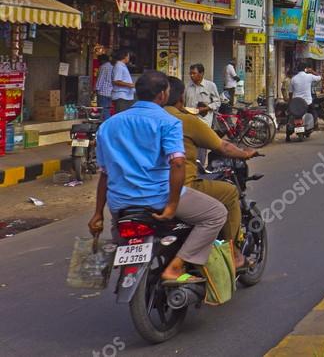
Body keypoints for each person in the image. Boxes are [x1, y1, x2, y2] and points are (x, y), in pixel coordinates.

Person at [89, 71, 227, 284]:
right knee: (216, 214)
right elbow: (178, 163)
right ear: (163, 95)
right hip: (158, 198)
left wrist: (98, 213)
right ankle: (176, 266)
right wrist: (172, 204)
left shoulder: (107, 126)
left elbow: (105, 174)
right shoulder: (167, 122)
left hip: (120, 206)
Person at [164, 76, 254, 269]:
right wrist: (245, 154)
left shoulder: (132, 121)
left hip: (135, 194)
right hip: (177, 190)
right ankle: (233, 254)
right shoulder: (183, 121)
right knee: (228, 195)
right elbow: (223, 146)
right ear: (180, 97)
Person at [110, 48, 135, 114]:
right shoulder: (119, 66)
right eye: (128, 56)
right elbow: (116, 81)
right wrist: (130, 85)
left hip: (126, 95)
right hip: (121, 96)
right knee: (122, 115)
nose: (129, 58)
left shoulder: (123, 66)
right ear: (124, 57)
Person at [94, 54, 113, 121]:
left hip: (102, 93)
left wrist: (95, 90)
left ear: (102, 60)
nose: (99, 62)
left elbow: (100, 80)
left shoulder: (103, 67)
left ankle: (105, 126)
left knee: (103, 112)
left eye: (99, 61)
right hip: (110, 93)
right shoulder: (112, 67)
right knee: (107, 110)